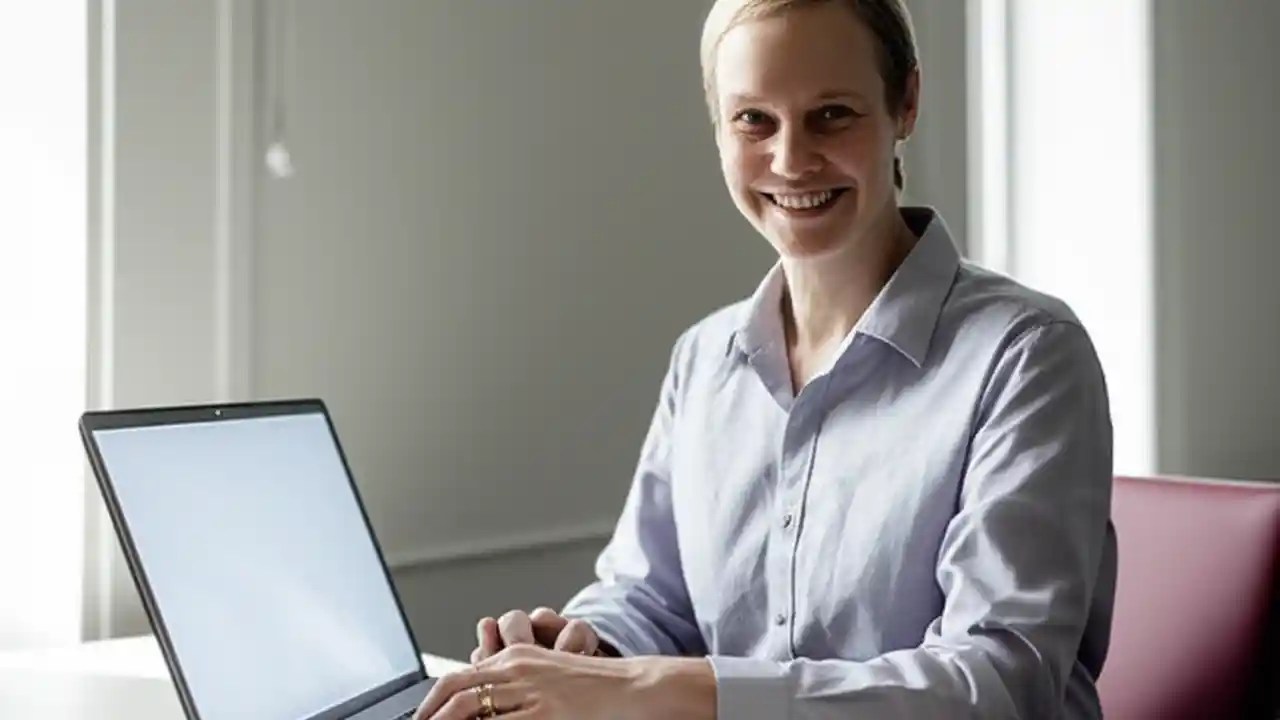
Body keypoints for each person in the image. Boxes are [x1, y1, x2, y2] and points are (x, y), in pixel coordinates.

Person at [415, 0, 1116, 717]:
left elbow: (996, 681)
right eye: (754, 119)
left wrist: (666, 690)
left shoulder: (1027, 356)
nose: (791, 159)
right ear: (718, 126)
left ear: (905, 102)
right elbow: (652, 596)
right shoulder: (703, 360)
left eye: (833, 114)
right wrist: (588, 651)